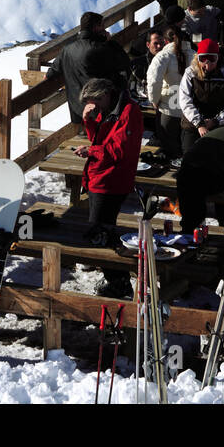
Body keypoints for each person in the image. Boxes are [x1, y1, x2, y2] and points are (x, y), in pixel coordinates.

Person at [71, 78, 142, 298]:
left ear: (107, 94)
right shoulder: (112, 109)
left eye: (97, 100)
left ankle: (118, 280)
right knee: (103, 229)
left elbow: (117, 151)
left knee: (101, 231)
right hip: (101, 178)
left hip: (112, 180)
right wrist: (89, 121)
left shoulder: (129, 111)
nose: (96, 105)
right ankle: (117, 278)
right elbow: (100, 140)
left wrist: (91, 152)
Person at [47, 12, 132, 124]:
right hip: (101, 113)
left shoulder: (66, 50)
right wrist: (110, 43)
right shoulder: (102, 49)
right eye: (102, 25)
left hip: (77, 113)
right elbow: (125, 63)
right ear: (96, 27)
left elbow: (49, 74)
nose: (104, 29)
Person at [176, 39, 224, 155]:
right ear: (197, 58)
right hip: (193, 125)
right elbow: (185, 101)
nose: (207, 64)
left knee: (217, 161)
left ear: (218, 58)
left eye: (212, 59)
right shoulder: (190, 73)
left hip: (219, 125)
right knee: (191, 159)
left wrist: (216, 121)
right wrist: (199, 124)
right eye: (203, 59)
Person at [147, 25, 195, 160]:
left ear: (166, 41)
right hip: (189, 111)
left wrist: (154, 100)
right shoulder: (194, 55)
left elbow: (154, 82)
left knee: (170, 150)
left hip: (168, 110)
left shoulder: (162, 57)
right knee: (187, 149)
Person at [128, 26, 166, 102]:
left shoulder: (171, 61)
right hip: (142, 102)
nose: (159, 46)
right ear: (148, 45)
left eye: (162, 43)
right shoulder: (136, 64)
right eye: (155, 43)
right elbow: (131, 88)